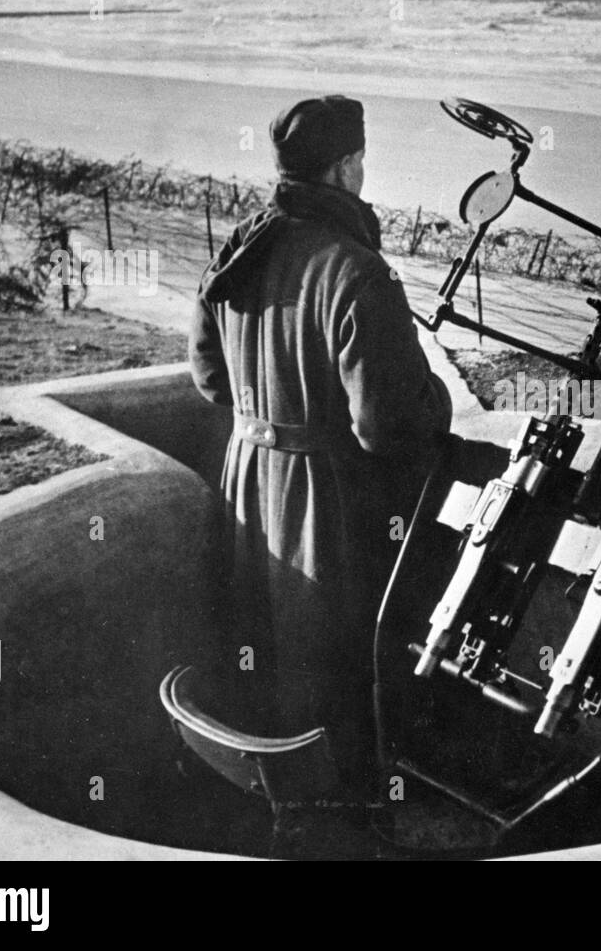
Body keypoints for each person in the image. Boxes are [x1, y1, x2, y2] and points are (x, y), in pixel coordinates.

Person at [188, 95, 452, 819]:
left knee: (261, 645)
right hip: (324, 498)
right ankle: (345, 816)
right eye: (360, 160)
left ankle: (272, 802)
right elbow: (385, 427)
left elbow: (210, 379)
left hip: (247, 481)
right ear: (347, 167)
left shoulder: (241, 246)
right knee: (333, 660)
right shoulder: (355, 270)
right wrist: (438, 403)